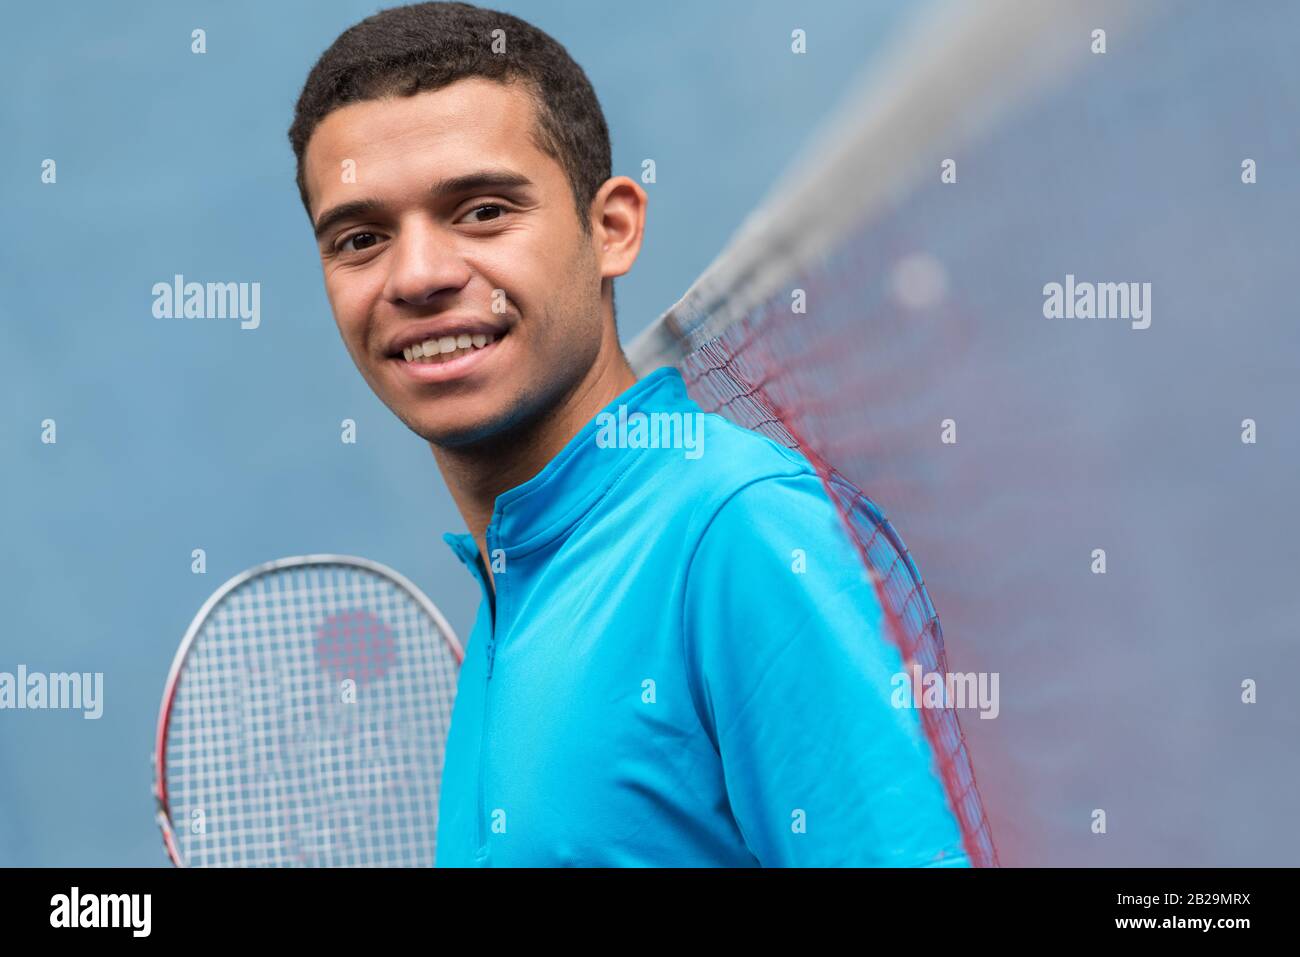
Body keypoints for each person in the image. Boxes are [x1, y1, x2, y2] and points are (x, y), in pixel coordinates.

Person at [289, 1, 971, 866]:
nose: (418, 275)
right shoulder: (514, 589)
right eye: (359, 237)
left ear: (611, 228)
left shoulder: (740, 531)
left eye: (484, 210)